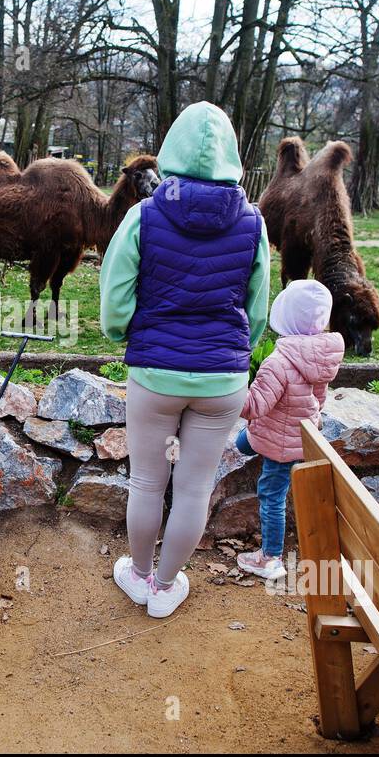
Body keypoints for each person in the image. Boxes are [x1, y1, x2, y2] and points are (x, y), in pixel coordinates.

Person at [100, 101, 270, 618]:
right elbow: (257, 308)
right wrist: (240, 351)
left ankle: (138, 573)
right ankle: (166, 586)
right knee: (194, 486)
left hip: (154, 372)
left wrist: (122, 333)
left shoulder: (142, 216)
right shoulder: (253, 223)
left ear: (171, 148)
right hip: (223, 378)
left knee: (148, 481)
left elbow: (115, 300)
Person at [234, 279, 344, 581]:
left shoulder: (278, 362)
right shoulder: (319, 358)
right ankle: (243, 444)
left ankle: (270, 558)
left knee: (271, 494)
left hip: (281, 446)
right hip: (299, 433)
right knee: (245, 441)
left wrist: (231, 388)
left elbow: (254, 407)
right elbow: (319, 397)